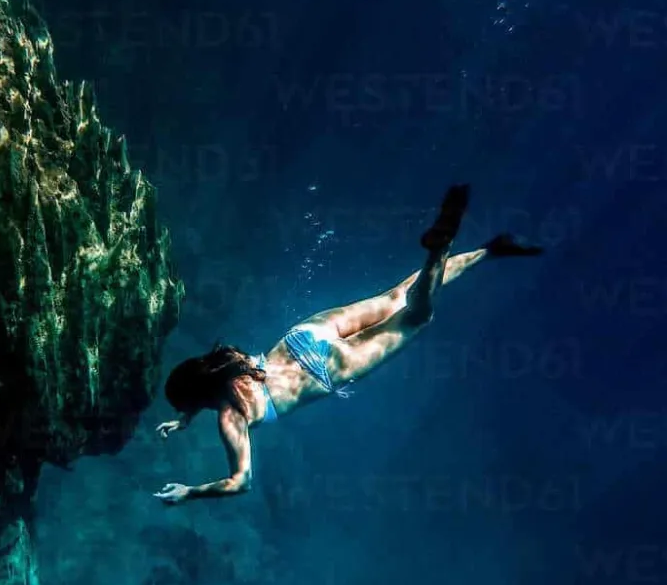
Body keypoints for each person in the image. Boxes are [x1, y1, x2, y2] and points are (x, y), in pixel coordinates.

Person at [153, 185, 542, 505]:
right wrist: (185, 418)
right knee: (396, 297)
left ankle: (438, 251)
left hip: (325, 369)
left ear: (197, 398)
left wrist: (189, 492)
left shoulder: (229, 418)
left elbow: (241, 481)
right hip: (304, 336)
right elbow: (203, 385)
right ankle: (491, 249)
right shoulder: (224, 365)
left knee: (417, 316)